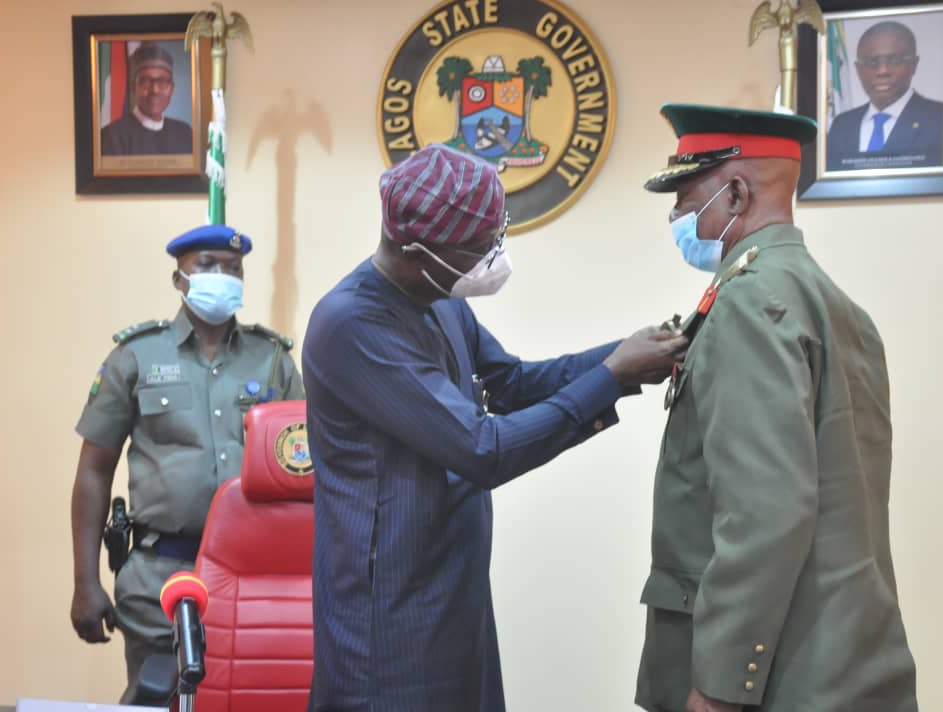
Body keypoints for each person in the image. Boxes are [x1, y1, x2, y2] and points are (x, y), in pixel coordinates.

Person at [302, 143, 688, 711]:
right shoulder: (352, 325)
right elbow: (484, 450)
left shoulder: (437, 296)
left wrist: (625, 353)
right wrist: (612, 376)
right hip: (388, 624)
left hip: (453, 592)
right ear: (416, 251)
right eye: (479, 247)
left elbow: (511, 382)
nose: (492, 257)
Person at [637, 104, 918, 712]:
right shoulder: (832, 301)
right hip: (843, 655)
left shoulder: (748, 303)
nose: (678, 218)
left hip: (781, 677)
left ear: (736, 195)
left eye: (686, 201)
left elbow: (764, 510)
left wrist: (719, 685)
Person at [69, 224, 303, 702]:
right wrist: (85, 581)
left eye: (233, 268)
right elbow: (94, 469)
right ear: (180, 278)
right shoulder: (137, 355)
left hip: (253, 573)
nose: (222, 276)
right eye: (208, 265)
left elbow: (302, 469)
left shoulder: (272, 360)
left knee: (249, 696)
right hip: (160, 574)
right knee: (159, 694)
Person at [826, 20, 943, 171]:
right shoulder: (841, 125)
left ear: (914, 64)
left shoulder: (941, 119)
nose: (883, 71)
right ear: (858, 69)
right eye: (872, 62)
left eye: (894, 61)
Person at [101, 42, 194, 156]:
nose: (155, 90)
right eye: (145, 81)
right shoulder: (110, 137)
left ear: (172, 88)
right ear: (133, 87)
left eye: (162, 82)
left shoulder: (184, 133)